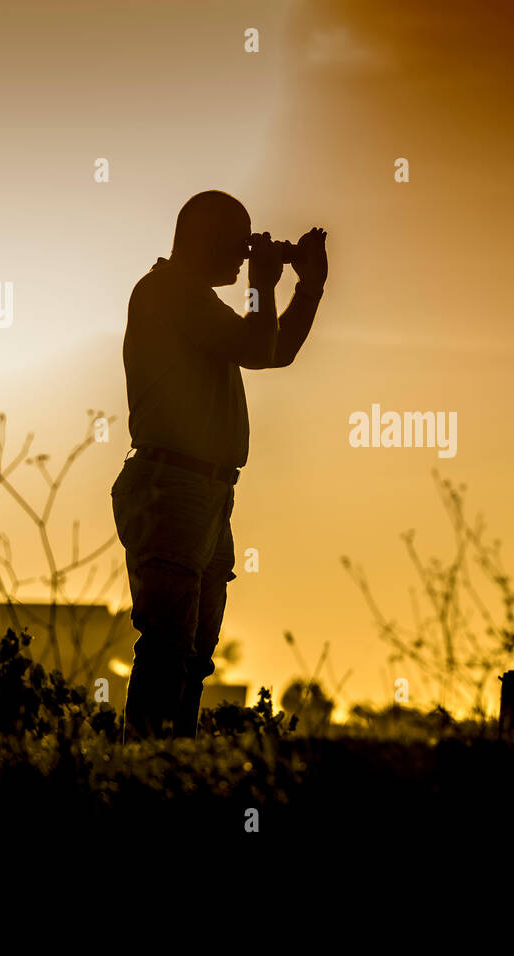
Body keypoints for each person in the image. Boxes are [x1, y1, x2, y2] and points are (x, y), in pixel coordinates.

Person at [111, 190, 327, 740]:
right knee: (169, 644)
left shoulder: (194, 301)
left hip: (204, 493)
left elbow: (272, 349)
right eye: (238, 240)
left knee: (193, 653)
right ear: (205, 240)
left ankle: (170, 766)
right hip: (173, 488)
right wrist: (263, 281)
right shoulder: (169, 293)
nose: (244, 252)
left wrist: (308, 289)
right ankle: (146, 771)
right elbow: (259, 347)